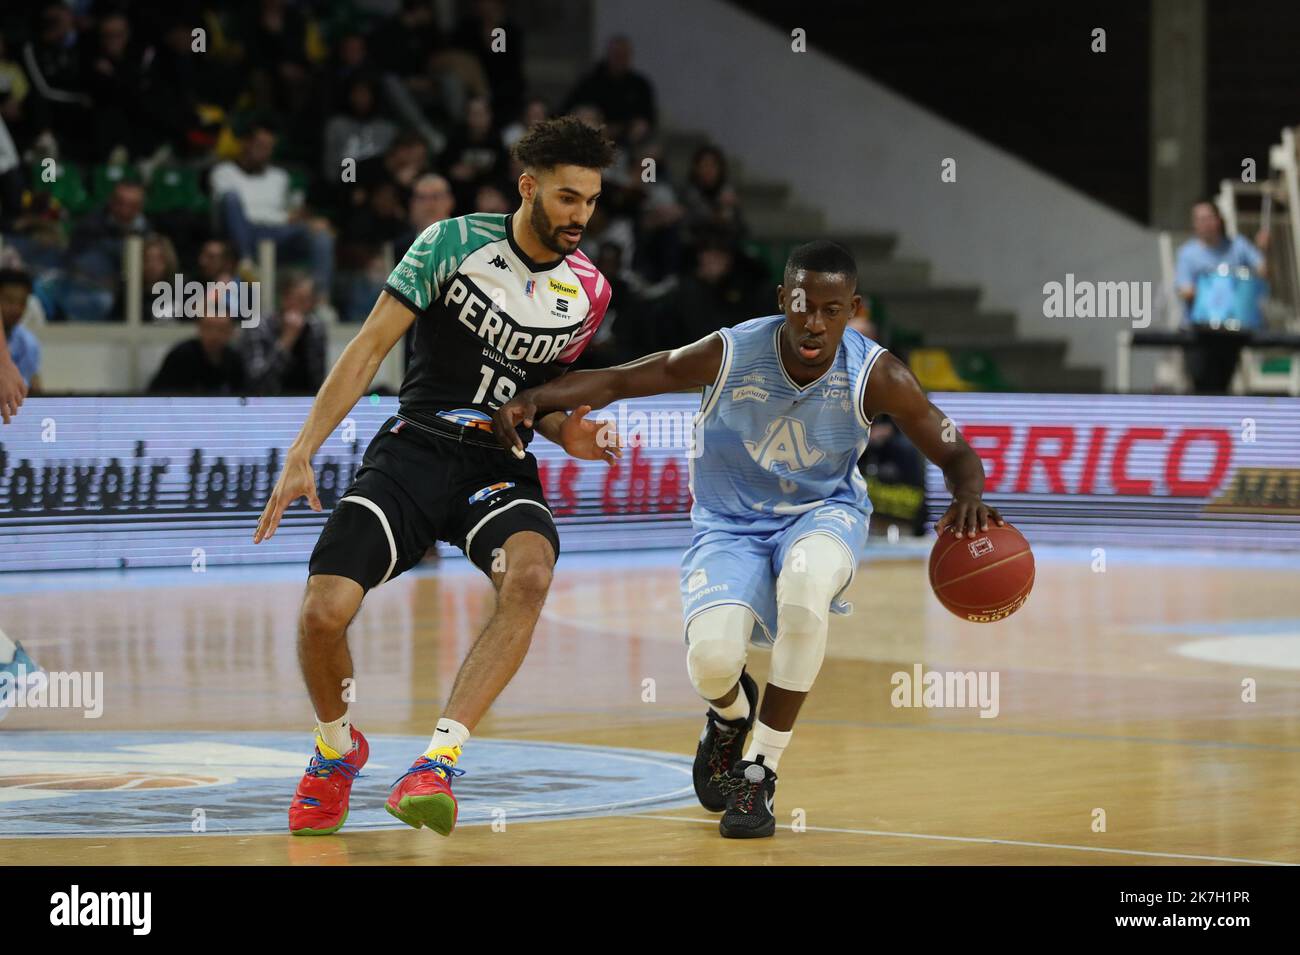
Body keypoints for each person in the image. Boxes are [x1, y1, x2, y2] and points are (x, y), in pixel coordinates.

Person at [491, 240, 1002, 839]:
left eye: (832, 309)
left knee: (806, 590)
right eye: (804, 304)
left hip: (822, 513)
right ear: (783, 298)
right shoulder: (731, 351)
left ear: (852, 308)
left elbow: (953, 448)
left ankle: (759, 771)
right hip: (728, 525)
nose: (814, 322)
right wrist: (538, 396)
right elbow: (628, 378)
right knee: (711, 663)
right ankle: (730, 718)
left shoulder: (878, 375)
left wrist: (968, 493)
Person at [253, 117, 619, 838]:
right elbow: (366, 350)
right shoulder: (450, 244)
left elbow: (538, 402)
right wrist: (303, 448)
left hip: (496, 464)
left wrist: (570, 431)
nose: (581, 215)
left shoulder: (591, 292)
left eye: (592, 200)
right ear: (529, 188)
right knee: (321, 612)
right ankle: (335, 750)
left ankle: (438, 763)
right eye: (568, 198)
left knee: (532, 573)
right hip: (415, 446)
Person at [211, 122, 335, 295]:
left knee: (321, 235)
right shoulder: (223, 172)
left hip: (279, 233)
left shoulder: (280, 177)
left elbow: (291, 213)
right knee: (231, 198)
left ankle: (321, 299)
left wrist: (308, 222)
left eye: (269, 148)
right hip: (245, 233)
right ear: (246, 144)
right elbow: (228, 211)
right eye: (260, 146)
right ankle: (246, 263)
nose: (265, 152)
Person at [1174, 200, 1270, 394]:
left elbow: (1262, 271)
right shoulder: (1187, 253)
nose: (1204, 223)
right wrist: (1215, 291)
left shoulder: (1238, 245)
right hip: (1198, 332)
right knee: (1201, 386)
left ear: (1218, 220)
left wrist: (1264, 249)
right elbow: (1184, 290)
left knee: (1222, 387)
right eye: (1199, 219)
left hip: (1230, 332)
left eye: (1208, 218)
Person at [240, 271, 327, 395]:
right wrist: (286, 341)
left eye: (308, 300)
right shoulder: (258, 327)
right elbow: (259, 386)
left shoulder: (315, 329)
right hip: (265, 406)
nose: (303, 306)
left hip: (305, 404)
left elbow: (317, 384)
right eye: (298, 299)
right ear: (284, 298)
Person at [147, 309, 247, 395]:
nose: (215, 335)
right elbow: (162, 395)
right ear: (200, 328)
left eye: (221, 329)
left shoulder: (235, 360)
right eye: (209, 328)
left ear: (231, 331)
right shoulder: (182, 356)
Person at [0, 267, 41, 399]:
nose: (16, 308)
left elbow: (31, 385)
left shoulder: (29, 343)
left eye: (22, 302)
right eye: (9, 300)